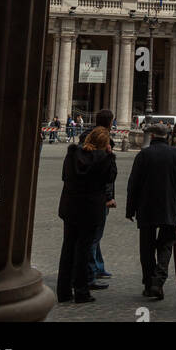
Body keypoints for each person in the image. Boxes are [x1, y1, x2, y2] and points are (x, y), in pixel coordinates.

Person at [126, 122, 176, 300]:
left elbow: (133, 184)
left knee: (146, 247)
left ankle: (148, 283)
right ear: (167, 136)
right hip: (169, 206)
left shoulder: (143, 155)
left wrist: (130, 209)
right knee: (166, 244)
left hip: (145, 207)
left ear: (152, 136)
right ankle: (158, 280)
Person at [56, 126, 116, 304]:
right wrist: (110, 155)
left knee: (68, 248)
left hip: (70, 207)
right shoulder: (104, 159)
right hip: (90, 210)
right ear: (105, 144)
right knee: (83, 250)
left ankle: (63, 291)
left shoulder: (72, 154)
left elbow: (64, 176)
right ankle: (81, 291)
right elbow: (110, 178)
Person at [79, 108, 115, 286]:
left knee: (94, 236)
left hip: (82, 199)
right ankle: (90, 273)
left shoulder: (80, 147)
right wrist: (109, 197)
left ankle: (98, 266)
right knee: (94, 236)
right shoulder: (102, 154)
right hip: (97, 200)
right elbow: (108, 177)